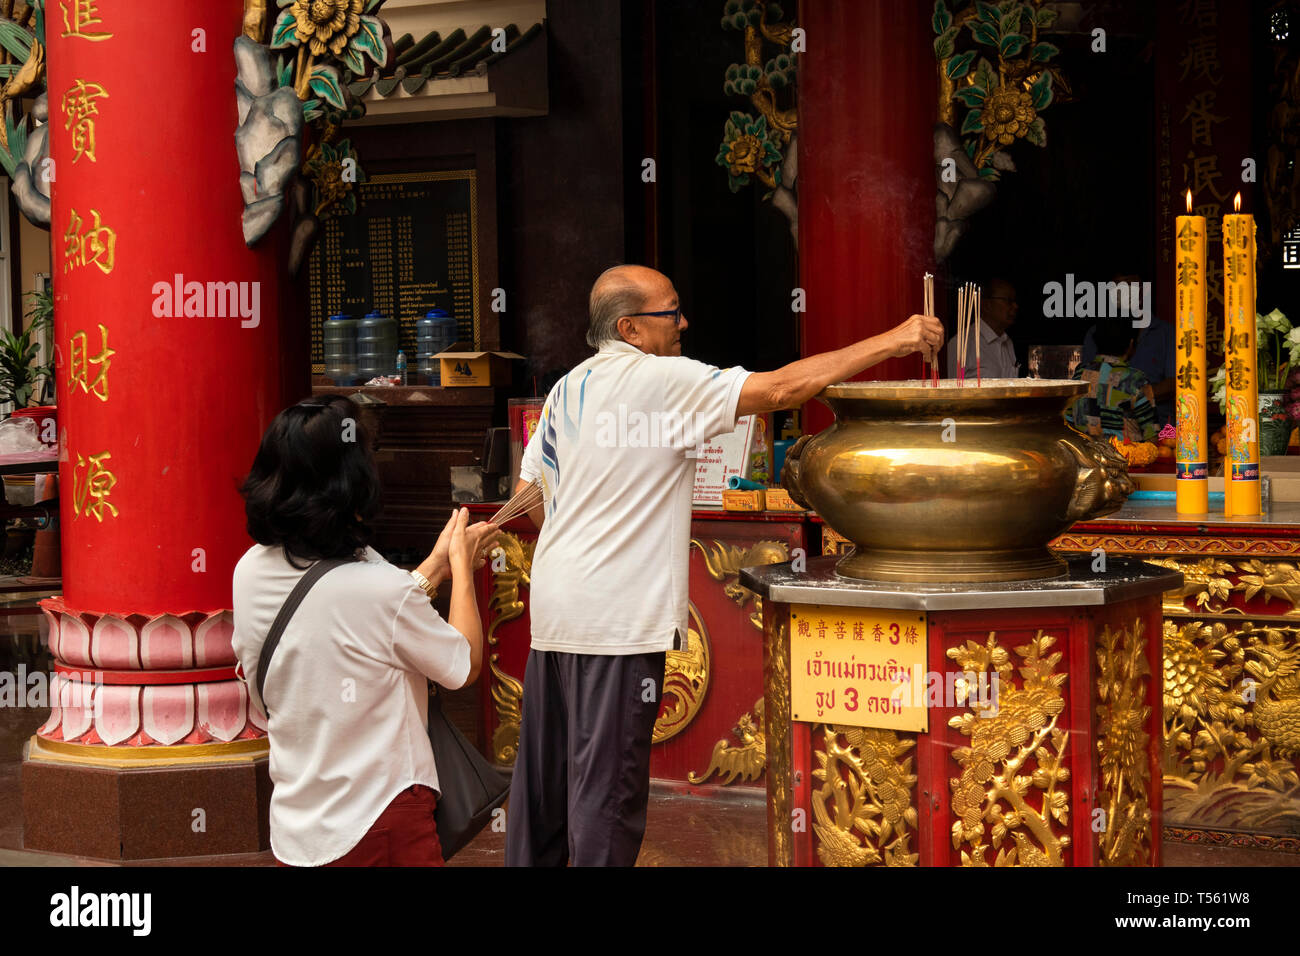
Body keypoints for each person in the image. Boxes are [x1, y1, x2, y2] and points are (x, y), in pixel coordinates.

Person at [504, 264, 943, 866]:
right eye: (671, 312)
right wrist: (894, 340)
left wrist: (581, 544)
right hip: (615, 626)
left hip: (556, 616)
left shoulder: (564, 390)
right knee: (605, 800)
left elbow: (529, 498)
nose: (683, 323)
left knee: (545, 800)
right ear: (630, 328)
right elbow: (783, 390)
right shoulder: (658, 381)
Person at [231, 395, 498, 867]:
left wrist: (434, 566)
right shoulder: (380, 590)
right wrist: (462, 570)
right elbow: (464, 664)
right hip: (382, 818)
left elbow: (355, 622)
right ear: (352, 482)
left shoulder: (248, 572)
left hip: (298, 823)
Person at [1081, 274, 1176, 425]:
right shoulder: (1096, 332)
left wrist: (1133, 395)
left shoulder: (1167, 332)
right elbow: (1087, 379)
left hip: (1160, 426)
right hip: (1105, 425)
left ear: (1142, 294)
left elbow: (1175, 383)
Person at [1066, 319, 1158, 442]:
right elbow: (1151, 435)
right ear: (1131, 344)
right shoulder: (1136, 379)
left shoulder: (1080, 374)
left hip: (1087, 458)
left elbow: (1068, 421)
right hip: (1128, 458)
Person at [946, 277, 1019, 379]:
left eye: (1014, 301)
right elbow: (951, 390)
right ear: (987, 305)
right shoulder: (962, 344)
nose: (1015, 306)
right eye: (1008, 300)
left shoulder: (1007, 342)